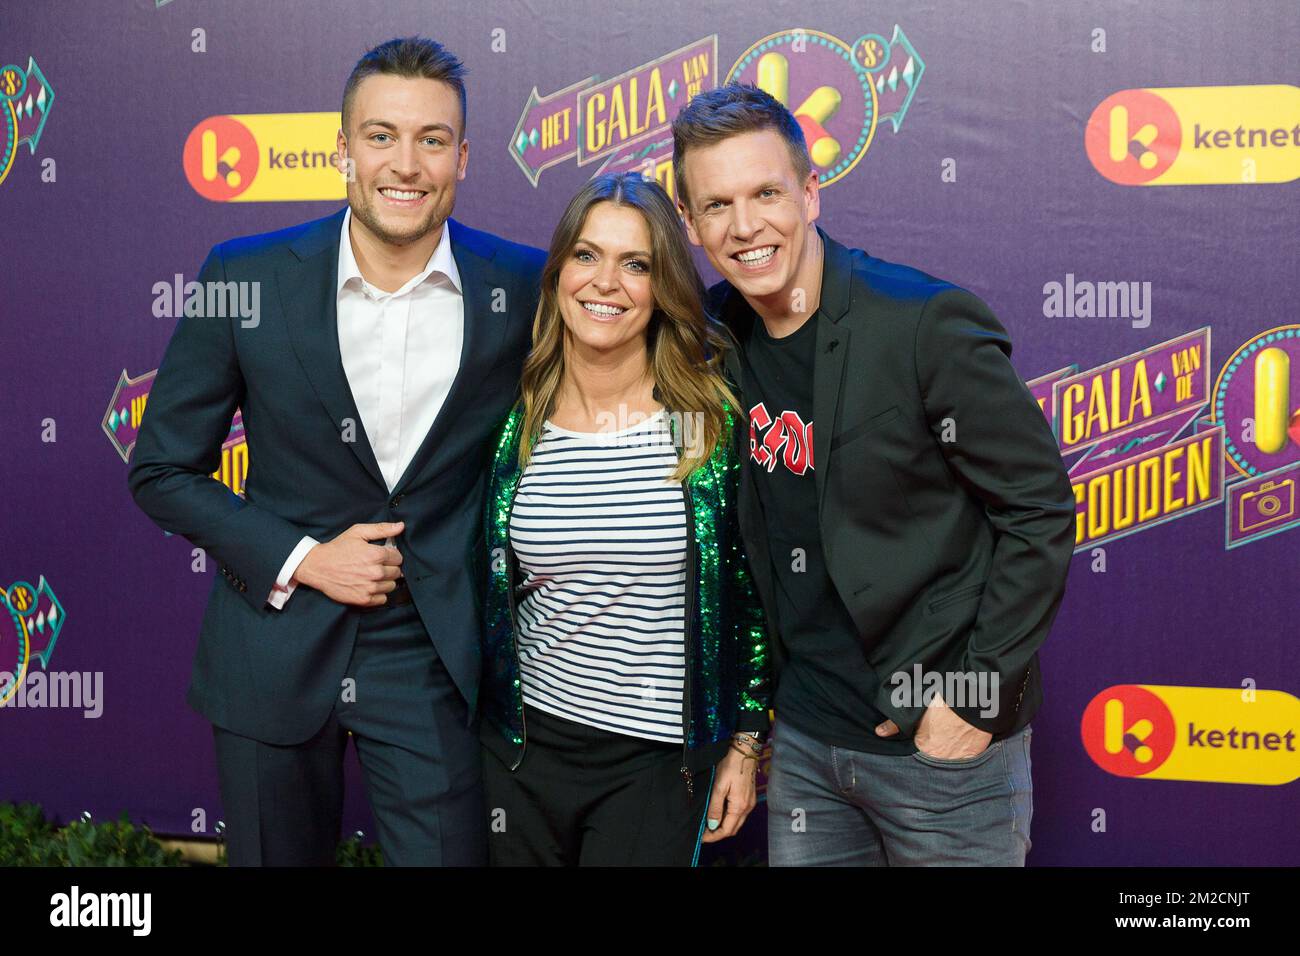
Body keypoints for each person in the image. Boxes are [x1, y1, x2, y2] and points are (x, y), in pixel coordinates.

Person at [128, 36, 545, 866]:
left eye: (432, 139)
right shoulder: (245, 275)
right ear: (343, 150)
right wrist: (303, 558)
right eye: (381, 135)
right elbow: (161, 469)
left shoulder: (527, 286)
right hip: (272, 642)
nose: (407, 162)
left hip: (435, 655)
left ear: (462, 157)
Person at [672, 83, 1075, 866]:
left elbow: (1039, 512)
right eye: (716, 205)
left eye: (766, 193)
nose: (745, 226)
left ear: (811, 193)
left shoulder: (922, 322)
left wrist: (972, 701)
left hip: (943, 756)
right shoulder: (712, 340)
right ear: (688, 223)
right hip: (806, 747)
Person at [478, 171, 771, 866]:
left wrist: (746, 743)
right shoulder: (515, 422)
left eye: (634, 264)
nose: (604, 281)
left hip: (657, 765)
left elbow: (754, 594)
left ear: (663, 286)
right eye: (586, 255)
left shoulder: (709, 423)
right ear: (557, 275)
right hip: (521, 752)